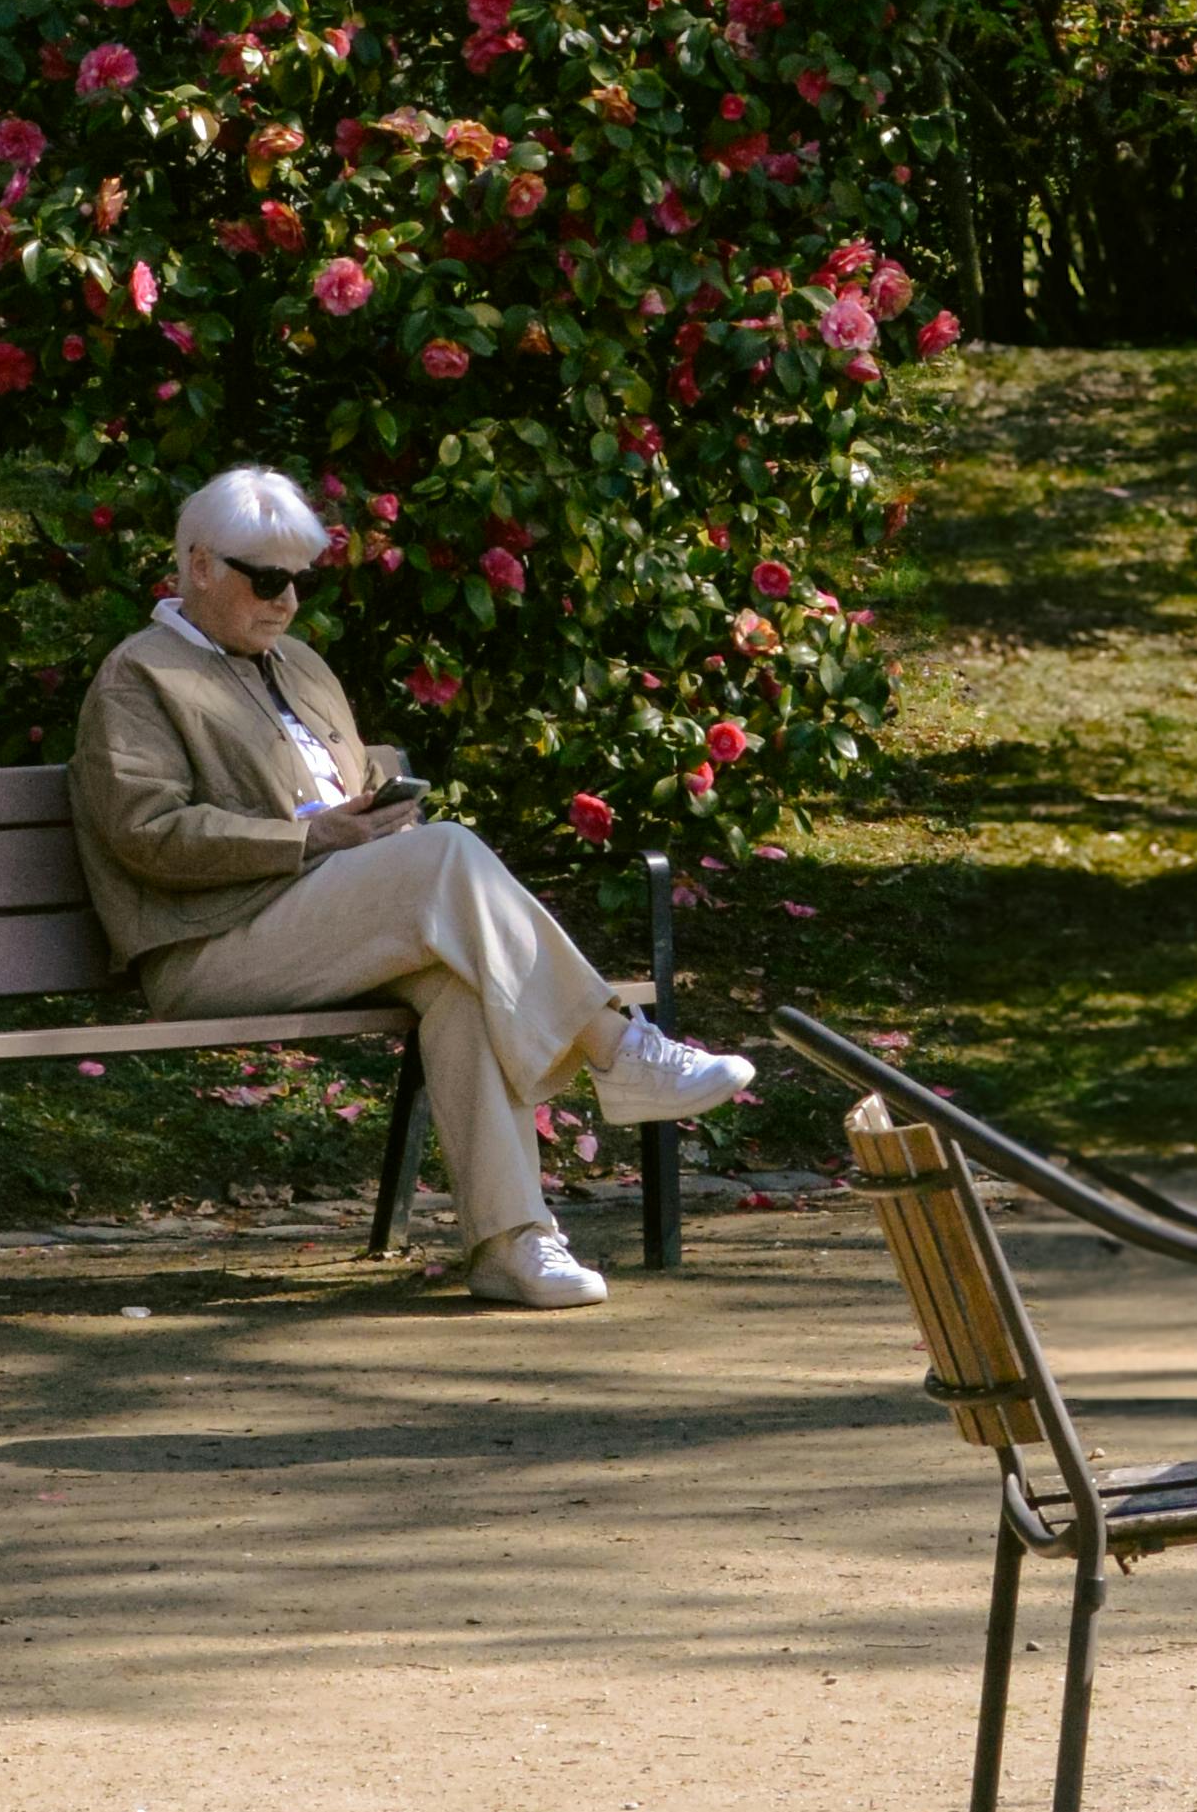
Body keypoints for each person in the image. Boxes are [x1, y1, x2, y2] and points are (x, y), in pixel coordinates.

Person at [69, 461, 754, 1309]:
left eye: (299, 582)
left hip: (329, 919)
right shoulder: (139, 677)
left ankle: (513, 1243)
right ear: (200, 566)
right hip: (209, 942)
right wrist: (307, 835)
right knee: (444, 855)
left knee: (462, 986)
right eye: (267, 579)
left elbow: (346, 783)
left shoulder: (301, 664)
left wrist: (365, 811)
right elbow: (146, 833)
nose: (285, 601)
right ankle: (618, 1048)